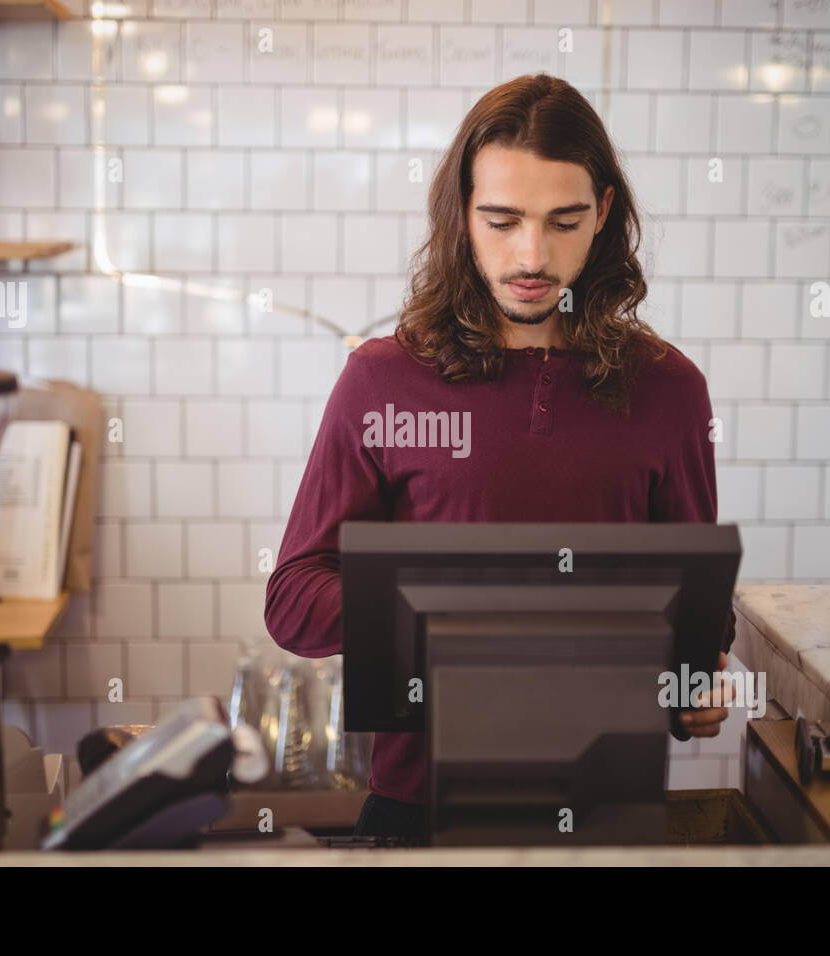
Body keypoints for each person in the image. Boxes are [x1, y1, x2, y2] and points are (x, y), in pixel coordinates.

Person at [265, 73, 737, 843]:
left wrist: (697, 688)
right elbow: (292, 596)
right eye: (503, 220)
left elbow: (697, 613)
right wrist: (446, 616)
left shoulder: (670, 390)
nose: (532, 255)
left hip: (605, 818)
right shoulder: (383, 377)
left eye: (563, 222)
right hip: (420, 816)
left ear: (605, 214)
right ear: (462, 213)